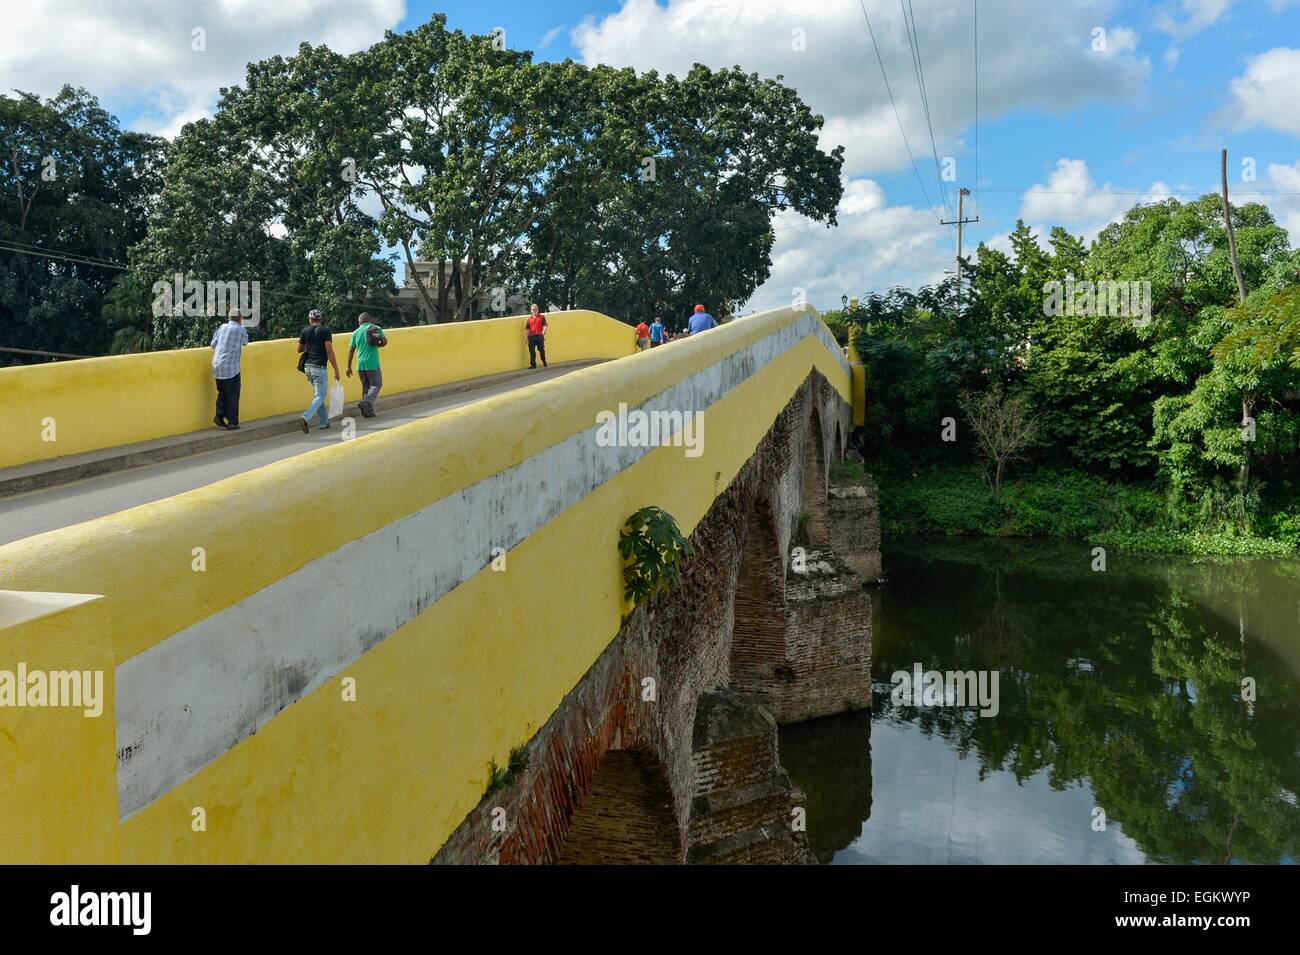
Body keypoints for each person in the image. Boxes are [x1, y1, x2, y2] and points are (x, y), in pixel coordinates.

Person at [297, 309, 341, 432]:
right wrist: (336, 370)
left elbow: (299, 349)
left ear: (310, 320)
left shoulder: (305, 331)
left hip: (307, 368)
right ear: (321, 320)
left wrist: (309, 343)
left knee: (318, 395)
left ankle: (323, 422)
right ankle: (306, 417)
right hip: (319, 367)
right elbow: (329, 351)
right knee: (320, 395)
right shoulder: (325, 331)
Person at [211, 307, 249, 431]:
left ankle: (219, 416)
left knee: (222, 393)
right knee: (233, 395)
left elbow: (213, 344)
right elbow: (245, 342)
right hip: (231, 367)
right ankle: (232, 423)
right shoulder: (240, 329)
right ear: (239, 318)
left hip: (217, 366)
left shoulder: (222, 327)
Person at [347, 312, 386, 418]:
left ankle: (368, 412)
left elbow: (351, 350)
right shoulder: (376, 328)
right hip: (372, 363)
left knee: (365, 387)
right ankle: (366, 401)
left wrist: (348, 366)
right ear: (368, 320)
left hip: (360, 364)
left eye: (358, 321)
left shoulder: (356, 332)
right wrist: (378, 344)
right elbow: (384, 341)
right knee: (376, 384)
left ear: (361, 320)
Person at [525, 303, 548, 369]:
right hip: (531, 337)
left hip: (539, 336)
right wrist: (526, 338)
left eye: (536, 309)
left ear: (538, 310)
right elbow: (527, 329)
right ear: (531, 310)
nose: (534, 311)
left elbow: (545, 325)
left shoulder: (542, 317)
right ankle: (533, 365)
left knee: (541, 350)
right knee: (532, 351)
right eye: (533, 309)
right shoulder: (529, 319)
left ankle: (544, 360)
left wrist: (544, 330)